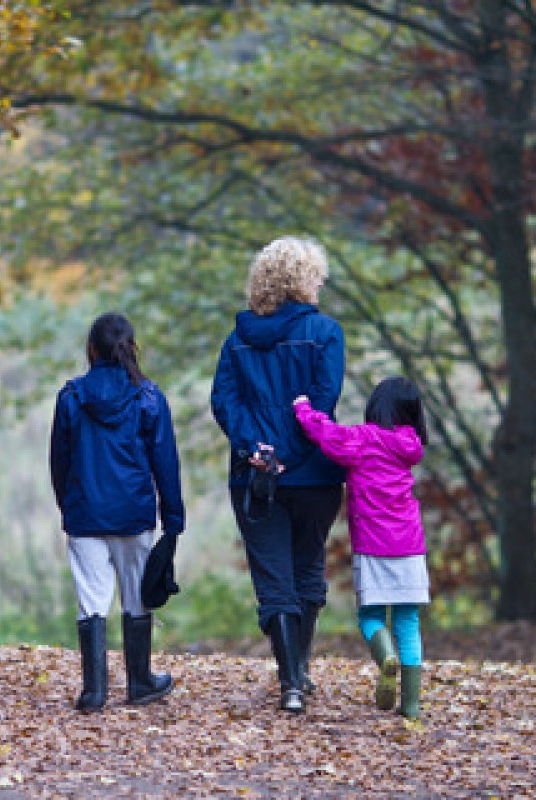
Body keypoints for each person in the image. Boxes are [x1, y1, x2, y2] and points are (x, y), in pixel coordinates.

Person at [210, 236, 346, 713]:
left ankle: (291, 681)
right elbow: (322, 402)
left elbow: (224, 403)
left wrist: (258, 451)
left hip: (254, 477)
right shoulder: (327, 334)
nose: (322, 283)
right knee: (308, 568)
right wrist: (287, 453)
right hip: (315, 474)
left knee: (273, 578)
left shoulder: (236, 339)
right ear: (301, 279)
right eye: (317, 275)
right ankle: (299, 673)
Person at [49, 311, 185, 713]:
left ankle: (94, 692)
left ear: (91, 350)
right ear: (131, 349)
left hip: (85, 513)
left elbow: (59, 461)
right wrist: (173, 518)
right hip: (134, 513)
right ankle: (140, 683)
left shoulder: (72, 396)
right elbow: (166, 462)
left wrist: (68, 504)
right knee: (135, 597)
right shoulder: (148, 397)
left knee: (91, 600)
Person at [293, 376, 430, 719]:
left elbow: (327, 436)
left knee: (370, 616)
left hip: (372, 544)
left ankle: (385, 657)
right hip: (410, 546)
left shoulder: (362, 439)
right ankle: (411, 706)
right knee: (408, 621)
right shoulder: (410, 445)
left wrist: (303, 408)